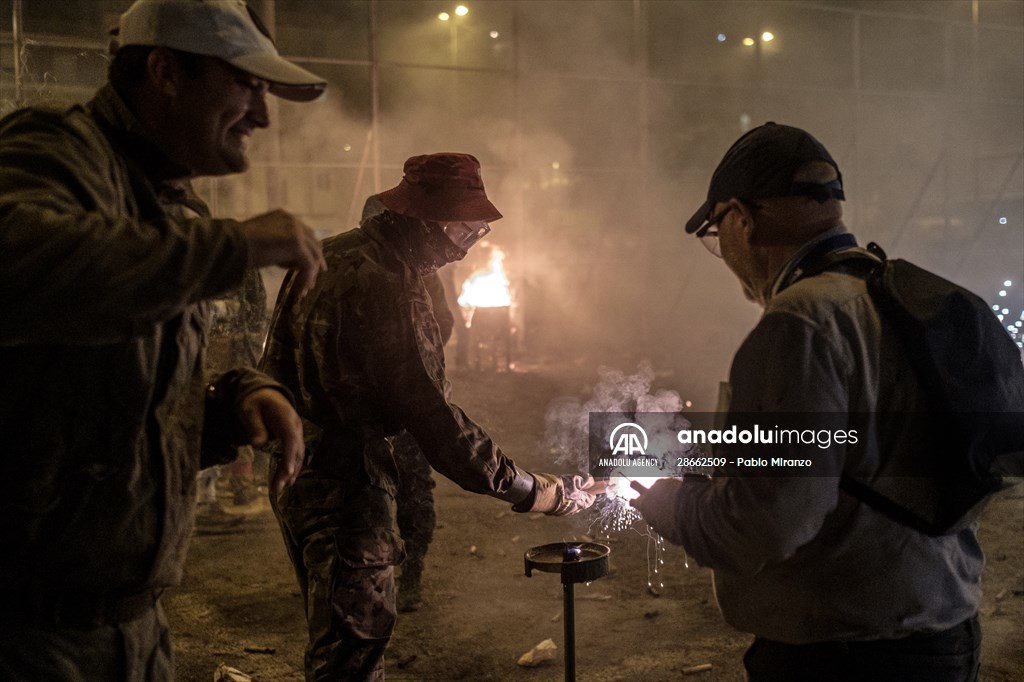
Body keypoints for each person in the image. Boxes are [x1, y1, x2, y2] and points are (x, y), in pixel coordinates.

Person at [0, 1, 328, 679]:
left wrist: (229, 401)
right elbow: (18, 265)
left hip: (130, 629)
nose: (263, 117)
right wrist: (231, 245)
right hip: (27, 636)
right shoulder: (53, 149)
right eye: (248, 85)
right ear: (165, 72)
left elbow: (97, 398)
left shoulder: (167, 204)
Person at [632, 123, 984, 682]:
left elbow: (766, 523)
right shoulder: (891, 297)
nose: (720, 251)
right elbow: (850, 453)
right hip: (939, 627)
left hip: (847, 654)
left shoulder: (799, 323)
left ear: (742, 220)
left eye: (715, 231)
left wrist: (664, 501)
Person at [260, 152, 605, 680]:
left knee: (331, 636)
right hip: (350, 487)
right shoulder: (394, 288)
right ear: (424, 219)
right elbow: (434, 419)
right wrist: (532, 491)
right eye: (462, 229)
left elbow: (274, 367)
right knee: (353, 651)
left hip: (295, 475)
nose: (465, 248)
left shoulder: (325, 256)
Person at [360, 193, 453, 613]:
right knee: (367, 494)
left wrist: (415, 359)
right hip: (363, 414)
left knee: (415, 492)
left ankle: (412, 573)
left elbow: (444, 321)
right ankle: (373, 577)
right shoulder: (348, 266)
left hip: (409, 408)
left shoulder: (422, 270)